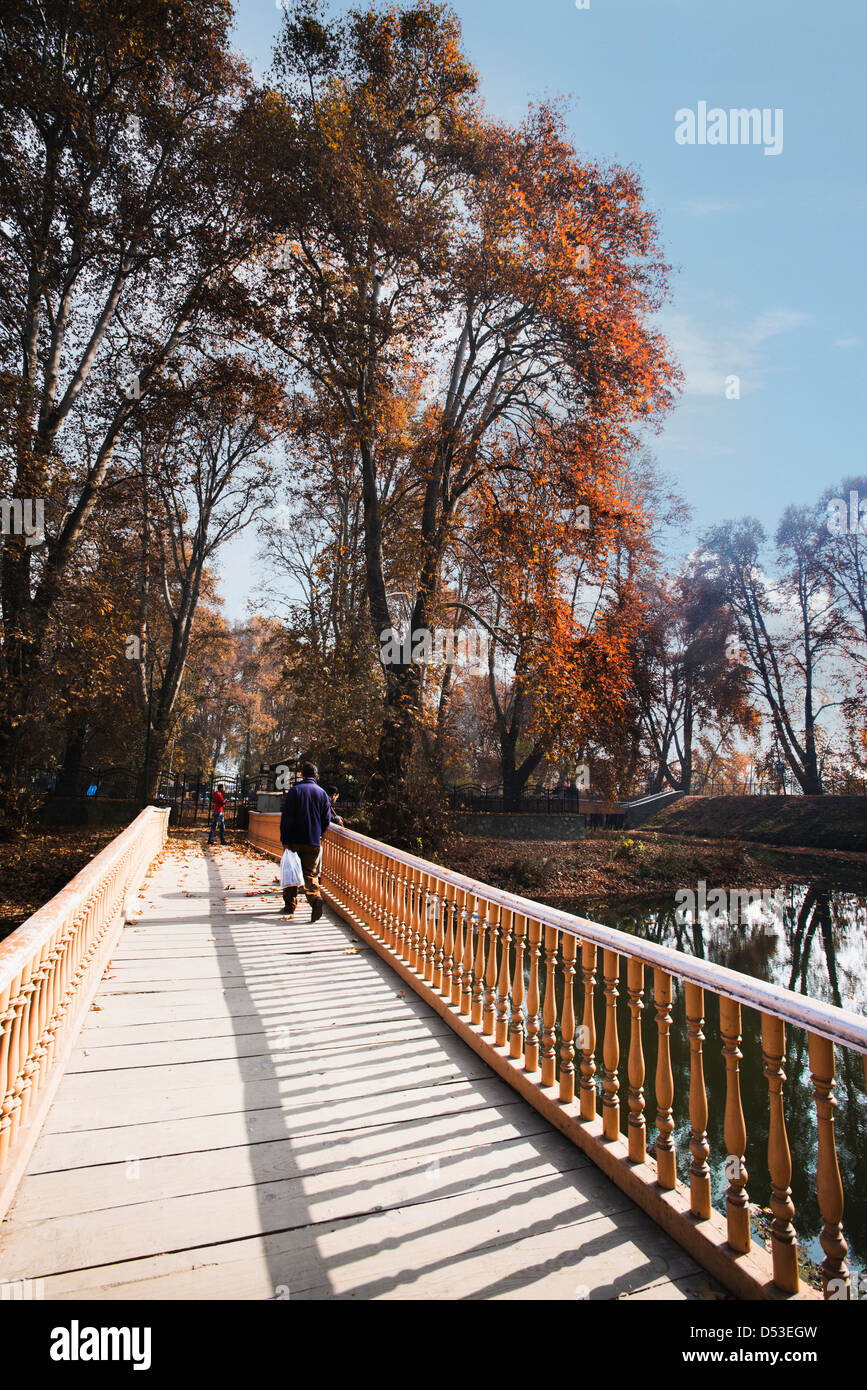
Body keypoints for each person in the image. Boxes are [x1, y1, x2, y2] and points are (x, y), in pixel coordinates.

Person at [279, 762, 331, 920]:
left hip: (294, 839)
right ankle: (315, 900)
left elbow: (286, 818)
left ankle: (290, 905)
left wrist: (285, 838)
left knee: (291, 871)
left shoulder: (294, 791)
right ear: (316, 776)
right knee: (310, 873)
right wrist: (318, 833)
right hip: (312, 840)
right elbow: (326, 820)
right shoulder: (322, 793)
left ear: (301, 775)